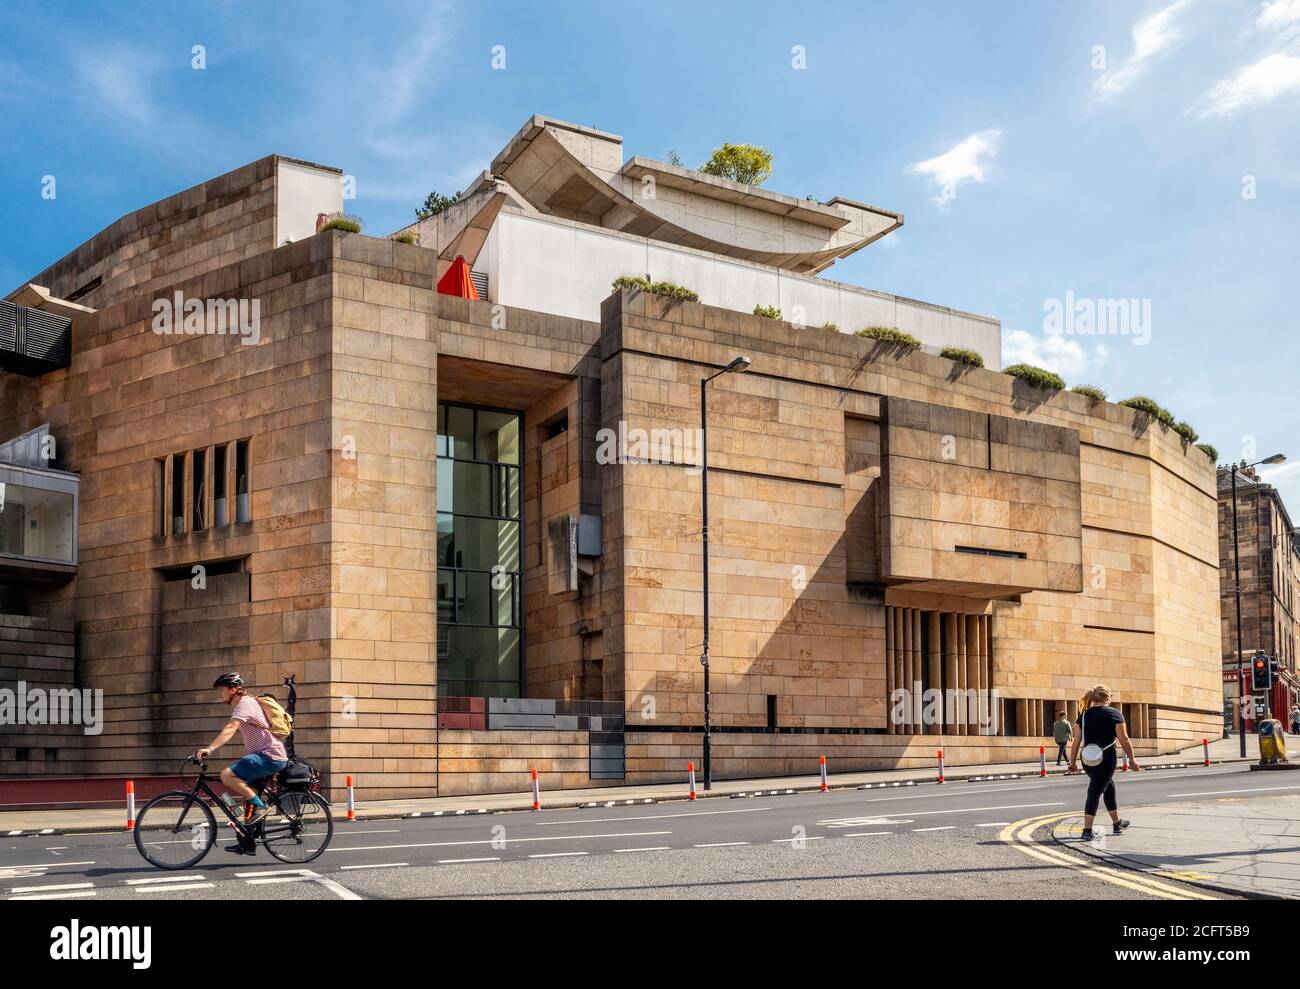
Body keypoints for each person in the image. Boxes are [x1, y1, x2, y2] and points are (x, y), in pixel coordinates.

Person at [195, 672, 288, 855]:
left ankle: (262, 807)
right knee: (248, 800)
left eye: (221, 690)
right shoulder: (247, 703)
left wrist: (210, 749)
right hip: (266, 756)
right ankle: (248, 843)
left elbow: (230, 729)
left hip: (270, 756)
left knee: (226, 775)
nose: (219, 694)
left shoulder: (244, 704)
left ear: (233, 690)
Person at [1068, 684, 1139, 840]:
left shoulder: (1084, 715)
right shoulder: (1114, 714)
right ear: (1107, 697)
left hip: (1087, 758)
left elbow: (1076, 741)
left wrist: (1072, 762)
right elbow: (1124, 739)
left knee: (1108, 786)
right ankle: (1087, 830)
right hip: (1106, 758)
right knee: (1094, 791)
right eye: (1111, 695)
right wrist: (1132, 759)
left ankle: (1117, 823)